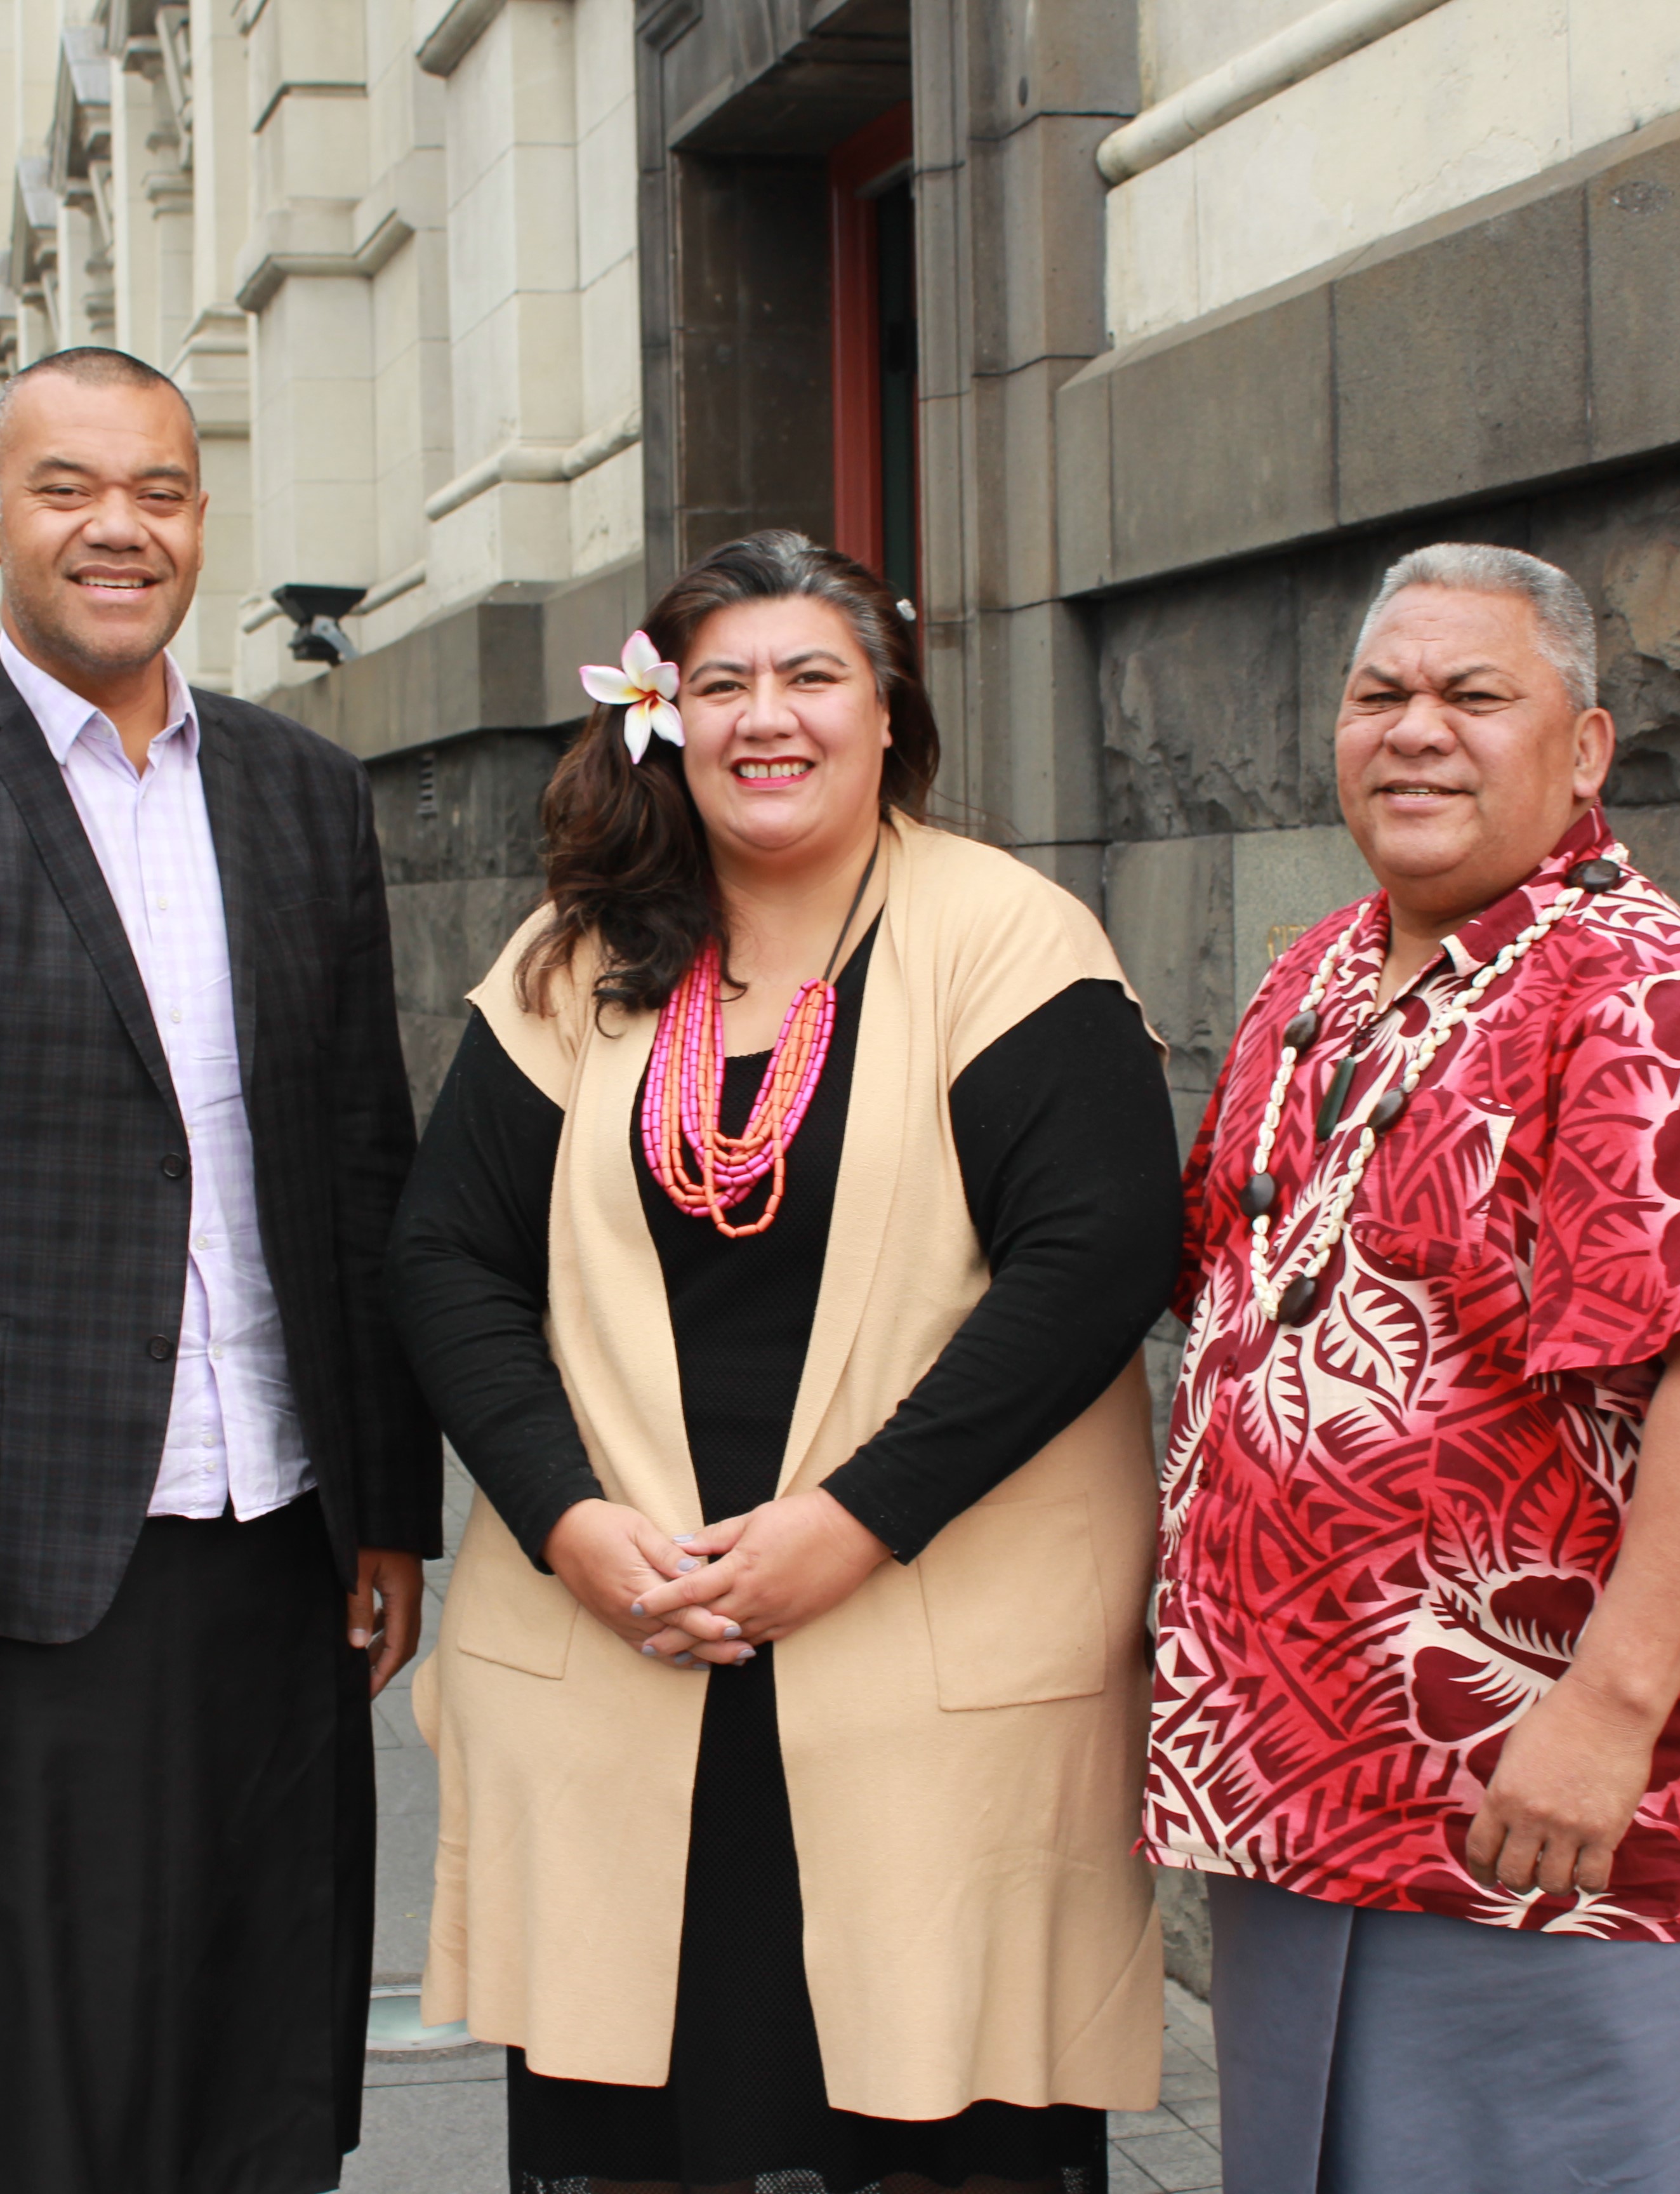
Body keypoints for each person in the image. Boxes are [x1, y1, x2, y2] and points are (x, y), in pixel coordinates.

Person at [392, 530, 1179, 2194]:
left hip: (921, 1654)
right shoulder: (573, 962)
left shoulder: (1006, 940)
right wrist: (565, 1520)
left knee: (933, 2123)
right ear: (665, 713)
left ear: (888, 713)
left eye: (815, 676)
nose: (772, 716)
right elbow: (445, 1257)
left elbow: (1094, 1262)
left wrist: (854, 1521)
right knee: (640, 2129)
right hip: (635, 1639)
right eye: (725, 681)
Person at [0, 344, 439, 2194]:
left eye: (158, 490)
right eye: (67, 488)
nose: (116, 528)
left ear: (201, 520)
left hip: (274, 1549)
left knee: (251, 2048)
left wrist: (384, 1507)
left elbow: (361, 1156)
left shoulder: (300, 796)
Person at [1146, 543, 1680, 2194]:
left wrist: (1608, 1708)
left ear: (1584, 751)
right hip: (1315, 1776)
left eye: (1474, 697)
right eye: (1381, 695)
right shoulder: (1325, 972)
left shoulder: (1664, 1004)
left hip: (1569, 1793)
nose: (1417, 731)